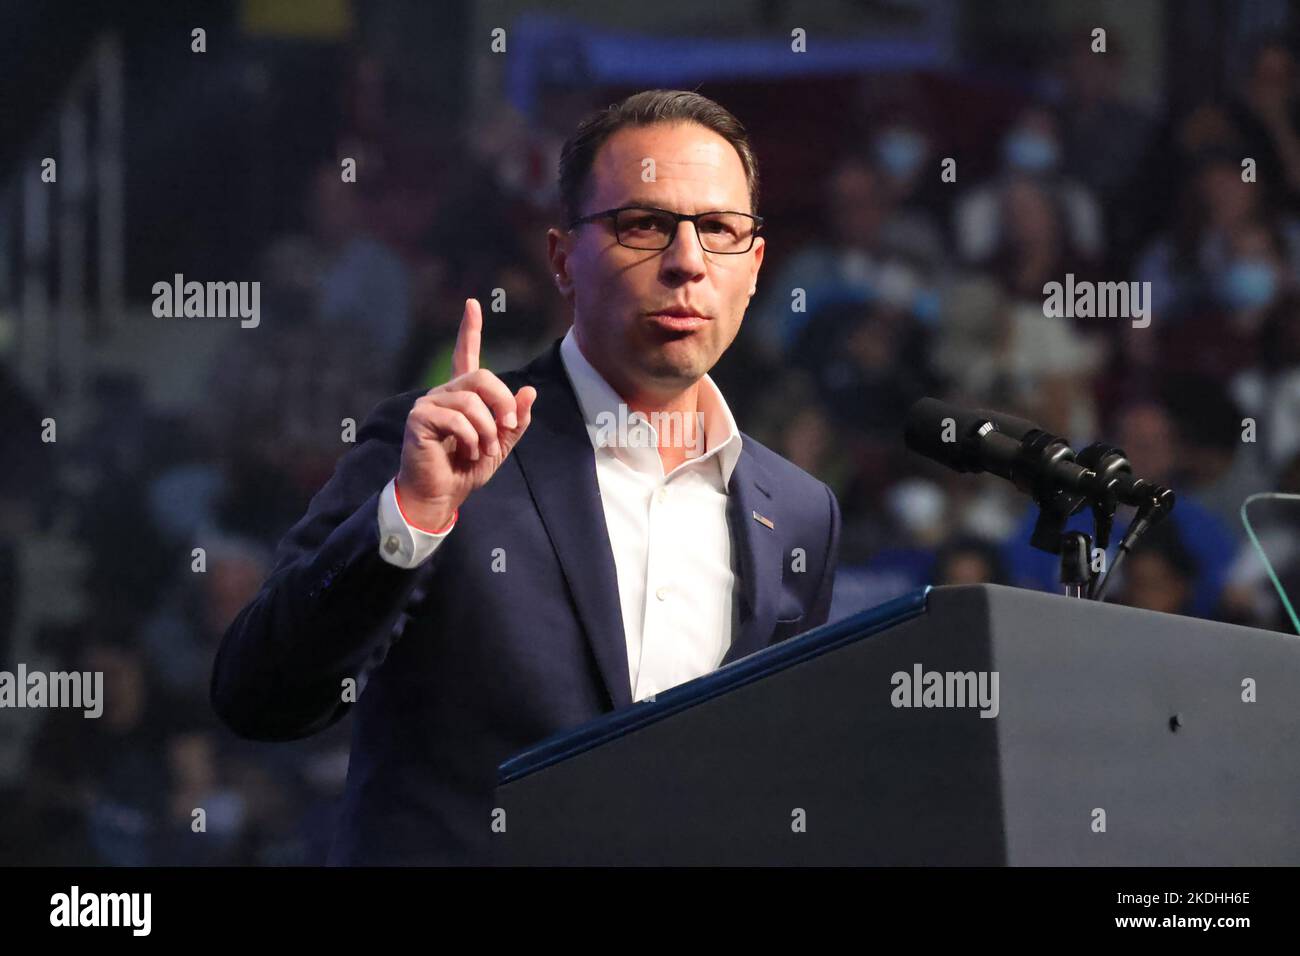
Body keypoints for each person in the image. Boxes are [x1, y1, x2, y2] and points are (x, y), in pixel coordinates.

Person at [211, 89, 842, 865]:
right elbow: (259, 695)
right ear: (561, 259)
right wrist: (411, 518)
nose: (686, 262)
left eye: (718, 229)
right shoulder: (438, 450)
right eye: (643, 225)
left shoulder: (801, 513)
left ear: (754, 267)